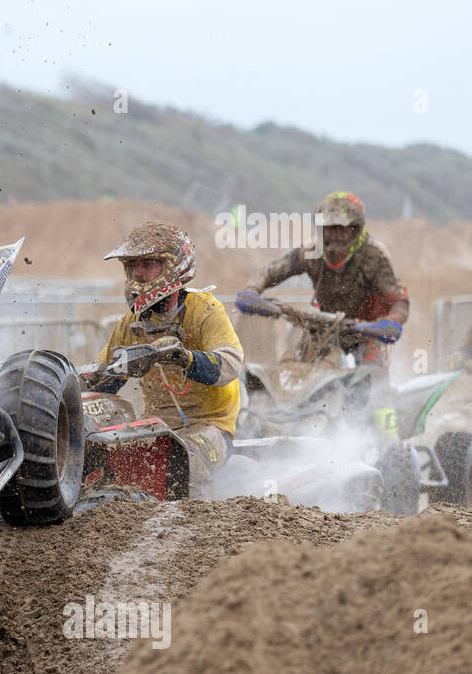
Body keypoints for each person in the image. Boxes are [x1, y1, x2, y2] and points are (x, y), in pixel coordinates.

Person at [88, 222, 245, 484]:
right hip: (157, 427)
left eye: (148, 265)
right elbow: (102, 379)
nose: (138, 274)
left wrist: (184, 357)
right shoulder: (132, 321)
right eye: (132, 266)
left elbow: (230, 364)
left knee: (179, 462)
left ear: (174, 267)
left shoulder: (204, 308)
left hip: (209, 426)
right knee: (102, 454)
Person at [236, 191, 408, 365]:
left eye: (342, 228)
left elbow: (399, 300)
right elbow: (270, 272)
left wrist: (391, 322)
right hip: (325, 328)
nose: (335, 234)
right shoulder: (311, 252)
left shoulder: (374, 255)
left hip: (366, 331)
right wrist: (251, 291)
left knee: (370, 377)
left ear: (355, 229)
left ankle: (376, 386)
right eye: (329, 228)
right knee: (296, 365)